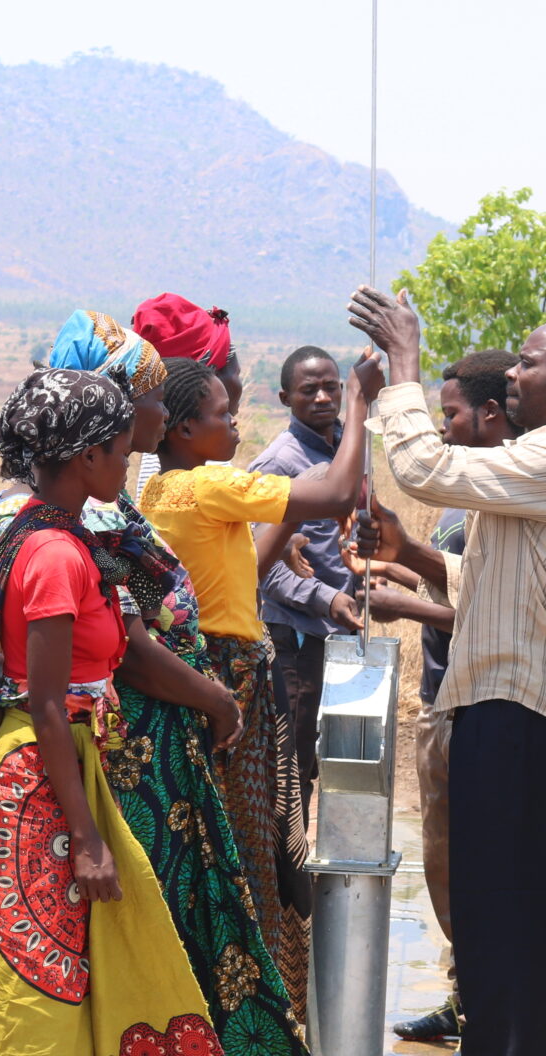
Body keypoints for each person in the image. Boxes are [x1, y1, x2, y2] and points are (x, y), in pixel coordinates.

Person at [0, 368, 229, 1056]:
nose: (131, 455)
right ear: (91, 454)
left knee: (68, 955)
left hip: (58, 766)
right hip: (44, 774)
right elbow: (47, 702)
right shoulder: (54, 552)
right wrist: (88, 836)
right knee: (36, 966)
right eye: (123, 442)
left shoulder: (40, 529)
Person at [347, 287, 546, 1056]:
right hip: (512, 691)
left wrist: (402, 365)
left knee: (501, 897)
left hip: (521, 698)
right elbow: (486, 583)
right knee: (514, 896)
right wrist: (410, 553)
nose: (515, 374)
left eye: (529, 362)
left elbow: (426, 465)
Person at [50, 310, 310, 1056]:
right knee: (161, 895)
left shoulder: (114, 502)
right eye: (148, 400)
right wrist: (212, 695)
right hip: (139, 730)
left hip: (164, 724)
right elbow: (124, 642)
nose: (158, 420)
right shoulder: (90, 514)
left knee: (195, 885)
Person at [137, 357, 372, 1009]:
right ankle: (242, 1027)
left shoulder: (162, 492)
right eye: (220, 412)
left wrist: (285, 522)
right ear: (183, 430)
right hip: (226, 680)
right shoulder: (209, 486)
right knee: (242, 851)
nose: (234, 421)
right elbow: (338, 491)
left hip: (210, 667)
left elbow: (247, 571)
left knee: (227, 844)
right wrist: (358, 401)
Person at [376, 350, 522, 1047]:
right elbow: (451, 580)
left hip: (470, 702)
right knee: (446, 863)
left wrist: (404, 603)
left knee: (471, 865)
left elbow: (487, 607)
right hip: (444, 695)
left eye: (453, 413)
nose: (444, 425)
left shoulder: (501, 498)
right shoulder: (470, 495)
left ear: (491, 415)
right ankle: (467, 996)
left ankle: (484, 1009)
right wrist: (394, 559)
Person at [251, 346, 365, 818]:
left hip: (344, 634)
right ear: (285, 397)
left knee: (342, 761)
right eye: (308, 390)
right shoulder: (279, 463)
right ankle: (288, 878)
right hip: (299, 639)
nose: (322, 397)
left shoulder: (349, 447)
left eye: (331, 387)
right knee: (291, 767)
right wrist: (328, 599)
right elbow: (265, 567)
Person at [130, 291, 239, 498]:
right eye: (236, 373)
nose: (239, 383)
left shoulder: (167, 449)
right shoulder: (205, 454)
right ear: (208, 381)